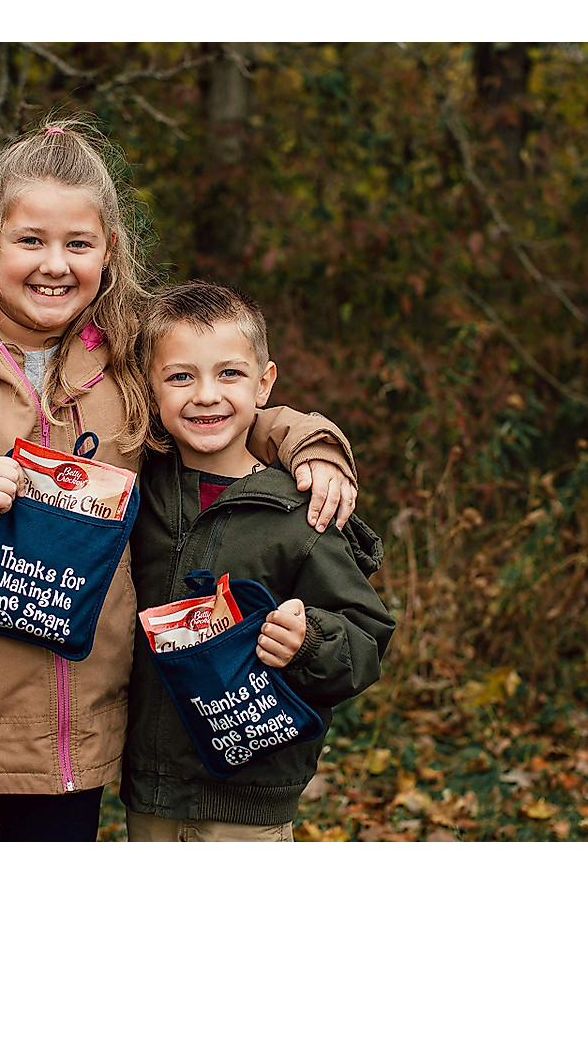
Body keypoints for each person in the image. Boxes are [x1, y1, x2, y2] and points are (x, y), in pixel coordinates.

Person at [0, 120, 359, 842]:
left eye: (78, 244)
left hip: (77, 741)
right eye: (30, 240)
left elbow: (216, 409)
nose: (53, 265)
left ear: (110, 252)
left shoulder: (127, 360)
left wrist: (309, 439)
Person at [122, 281, 395, 842]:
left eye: (229, 374)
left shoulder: (299, 514)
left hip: (250, 800)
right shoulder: (138, 490)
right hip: (151, 790)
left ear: (264, 383)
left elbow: (366, 637)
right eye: (180, 376)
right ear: (149, 388)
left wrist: (310, 642)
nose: (204, 395)